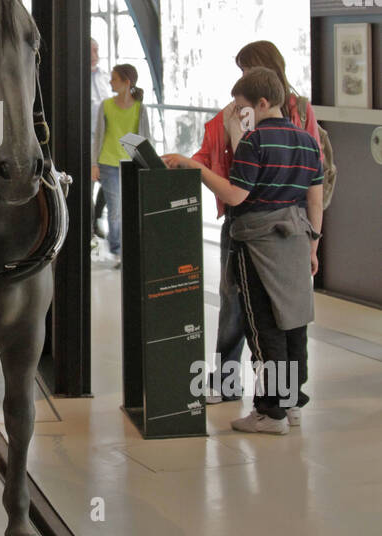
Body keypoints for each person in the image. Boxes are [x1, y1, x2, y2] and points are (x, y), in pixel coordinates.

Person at [165, 68, 323, 436]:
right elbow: (315, 201)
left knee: (263, 328)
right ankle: (291, 403)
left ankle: (270, 413)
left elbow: (236, 194)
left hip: (258, 244)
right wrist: (313, 244)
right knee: (293, 324)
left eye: (242, 108)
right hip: (297, 239)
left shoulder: (255, 141)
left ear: (262, 103)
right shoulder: (306, 141)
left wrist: (195, 167)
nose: (238, 115)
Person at [91, 63, 150, 267]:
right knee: (115, 210)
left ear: (127, 82)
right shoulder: (105, 106)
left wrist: (147, 166)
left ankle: (129, 247)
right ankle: (118, 251)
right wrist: (94, 164)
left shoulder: (140, 108)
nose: (110, 81)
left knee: (130, 209)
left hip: (131, 166)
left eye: (114, 78)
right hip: (108, 163)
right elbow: (98, 136)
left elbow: (145, 139)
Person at [90, 39, 109, 241]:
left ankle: (95, 219)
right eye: (92, 50)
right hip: (87, 138)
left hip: (106, 138)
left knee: (108, 180)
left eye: (97, 49)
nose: (96, 53)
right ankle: (89, 225)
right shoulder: (77, 75)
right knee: (89, 183)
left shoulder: (105, 77)